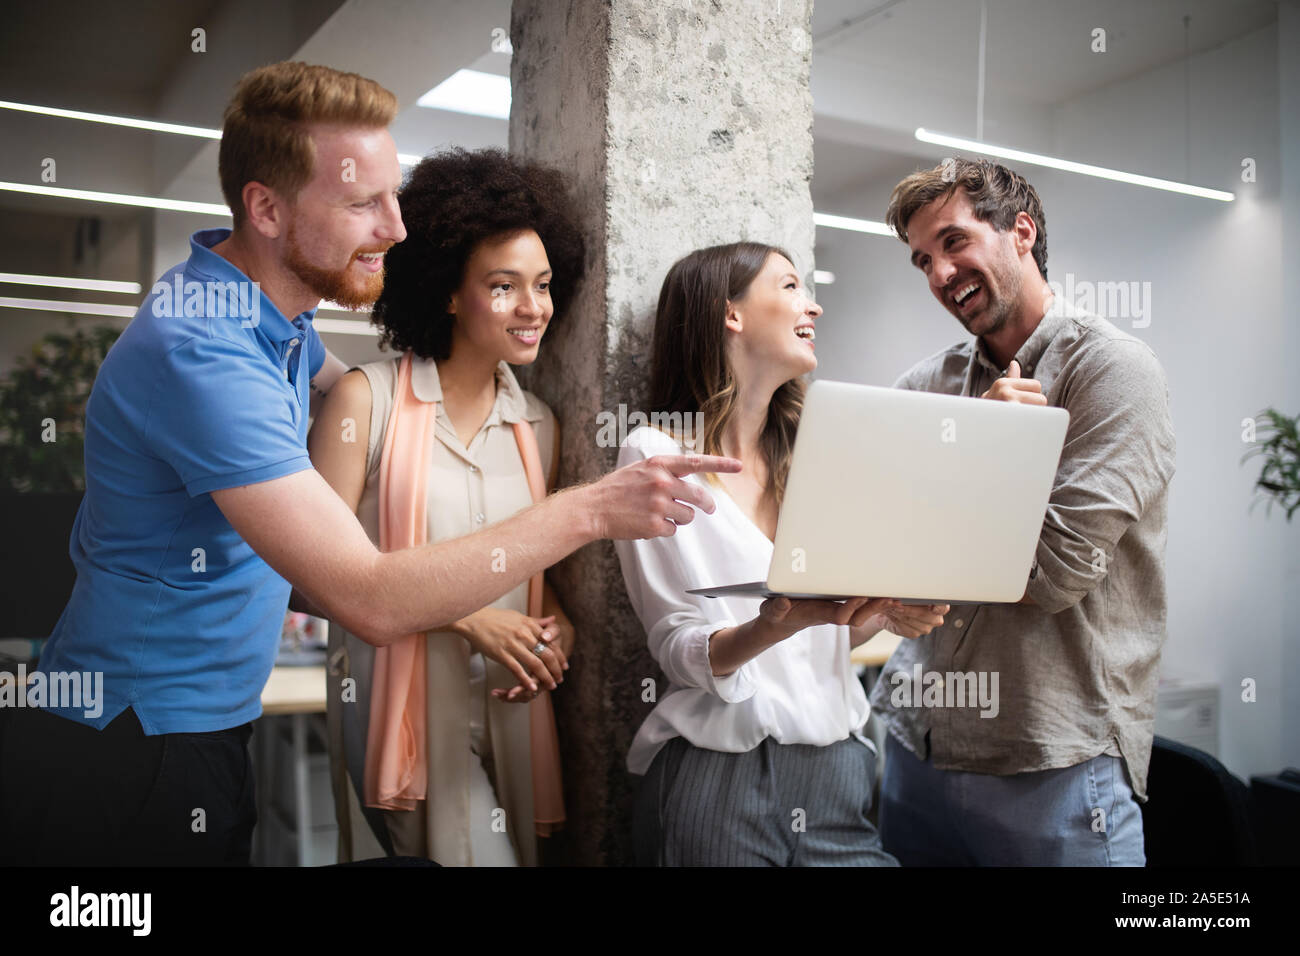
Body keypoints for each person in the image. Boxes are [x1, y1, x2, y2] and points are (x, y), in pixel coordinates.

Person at [0, 62, 737, 867]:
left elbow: (360, 408)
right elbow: (366, 599)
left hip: (198, 726)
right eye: (362, 203)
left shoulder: (273, 327)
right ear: (266, 208)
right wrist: (592, 509)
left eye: (393, 196)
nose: (396, 227)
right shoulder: (204, 354)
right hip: (130, 744)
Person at [870, 157, 1176, 866]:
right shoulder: (927, 385)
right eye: (922, 259)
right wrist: (973, 447)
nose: (940, 274)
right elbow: (873, 553)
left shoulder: (1114, 372)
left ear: (1022, 232)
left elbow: (1053, 574)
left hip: (1053, 763)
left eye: (953, 241)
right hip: (919, 750)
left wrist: (960, 466)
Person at [615, 241, 948, 867]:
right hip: (720, 778)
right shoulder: (655, 458)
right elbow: (680, 645)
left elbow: (826, 634)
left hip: (839, 774)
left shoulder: (817, 456)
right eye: (791, 286)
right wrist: (771, 625)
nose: (814, 306)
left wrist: (886, 612)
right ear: (730, 314)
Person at [308, 148, 583, 866]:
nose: (535, 309)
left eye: (545, 285)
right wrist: (465, 615)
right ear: (450, 292)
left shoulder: (540, 426)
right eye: (504, 286)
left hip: (511, 709)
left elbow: (532, 573)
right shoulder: (363, 402)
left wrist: (559, 633)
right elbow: (312, 576)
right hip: (405, 708)